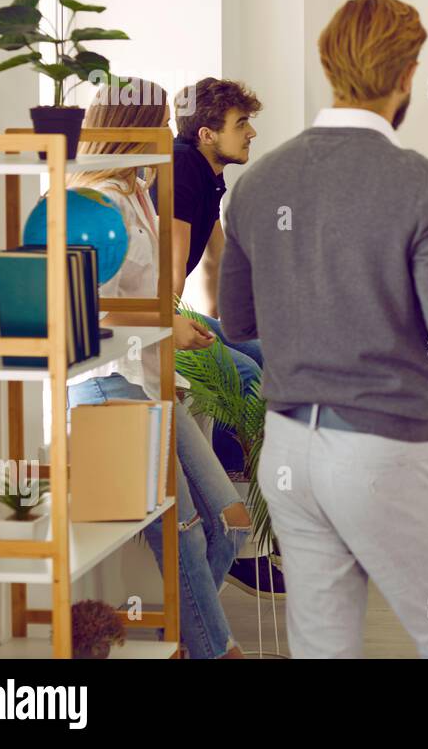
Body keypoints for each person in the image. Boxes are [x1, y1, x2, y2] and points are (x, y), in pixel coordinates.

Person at [220, 0, 428, 658]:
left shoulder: (258, 182)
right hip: (383, 451)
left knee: (323, 646)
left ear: (330, 66)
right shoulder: (417, 182)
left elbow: (238, 319)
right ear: (406, 76)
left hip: (289, 453)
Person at [66, 79, 249, 659]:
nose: (168, 135)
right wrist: (168, 328)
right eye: (158, 122)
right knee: (186, 537)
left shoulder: (142, 192)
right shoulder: (94, 203)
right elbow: (86, 314)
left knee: (233, 520)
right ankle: (215, 649)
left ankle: (195, 635)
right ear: (127, 129)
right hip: (108, 387)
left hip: (152, 380)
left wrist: (174, 328)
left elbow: (154, 298)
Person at [157, 77, 276, 596]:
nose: (251, 133)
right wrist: (185, 330)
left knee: (262, 353)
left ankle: (268, 494)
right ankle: (255, 503)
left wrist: (230, 325)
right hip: (158, 322)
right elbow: (171, 268)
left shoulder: (210, 174)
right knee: (248, 373)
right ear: (207, 133)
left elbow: (216, 258)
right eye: (241, 124)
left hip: (183, 314)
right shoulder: (184, 165)